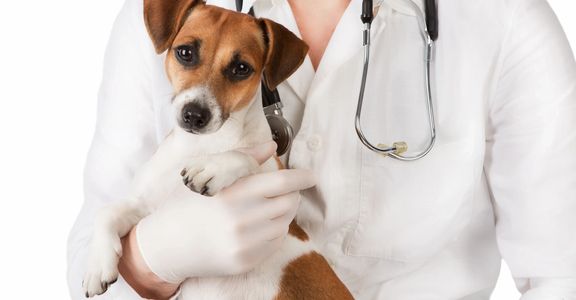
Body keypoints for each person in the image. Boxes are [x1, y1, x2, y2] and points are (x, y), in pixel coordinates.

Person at [67, 0, 576, 298]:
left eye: (239, 69)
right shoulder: (172, 17)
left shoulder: (505, 20)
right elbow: (86, 261)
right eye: (186, 58)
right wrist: (155, 256)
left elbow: (561, 272)